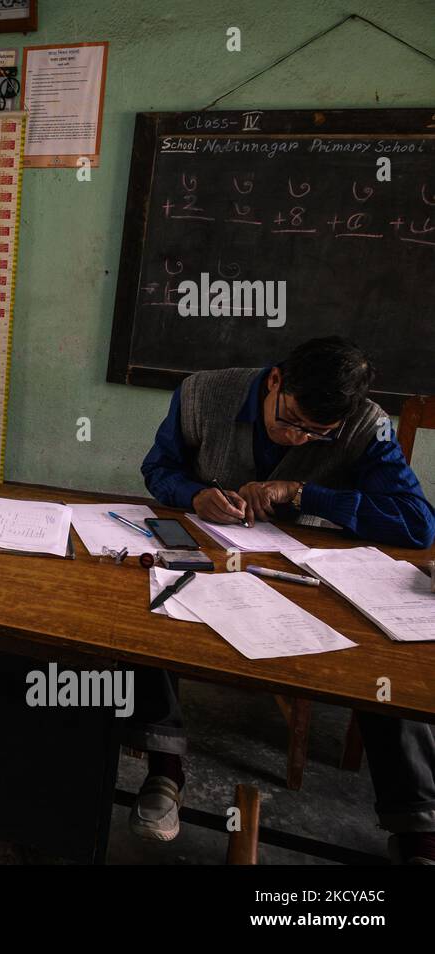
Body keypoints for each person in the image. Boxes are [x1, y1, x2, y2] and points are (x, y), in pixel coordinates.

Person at [134, 336, 435, 862]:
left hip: (314, 573)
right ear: (275, 381)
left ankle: (417, 828)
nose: (297, 439)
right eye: (289, 420)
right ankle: (165, 768)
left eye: (318, 433)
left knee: (393, 650)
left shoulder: (368, 425)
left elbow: (416, 524)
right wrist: (192, 495)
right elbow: (158, 470)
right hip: (213, 555)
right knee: (143, 611)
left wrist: (304, 493)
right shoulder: (201, 394)